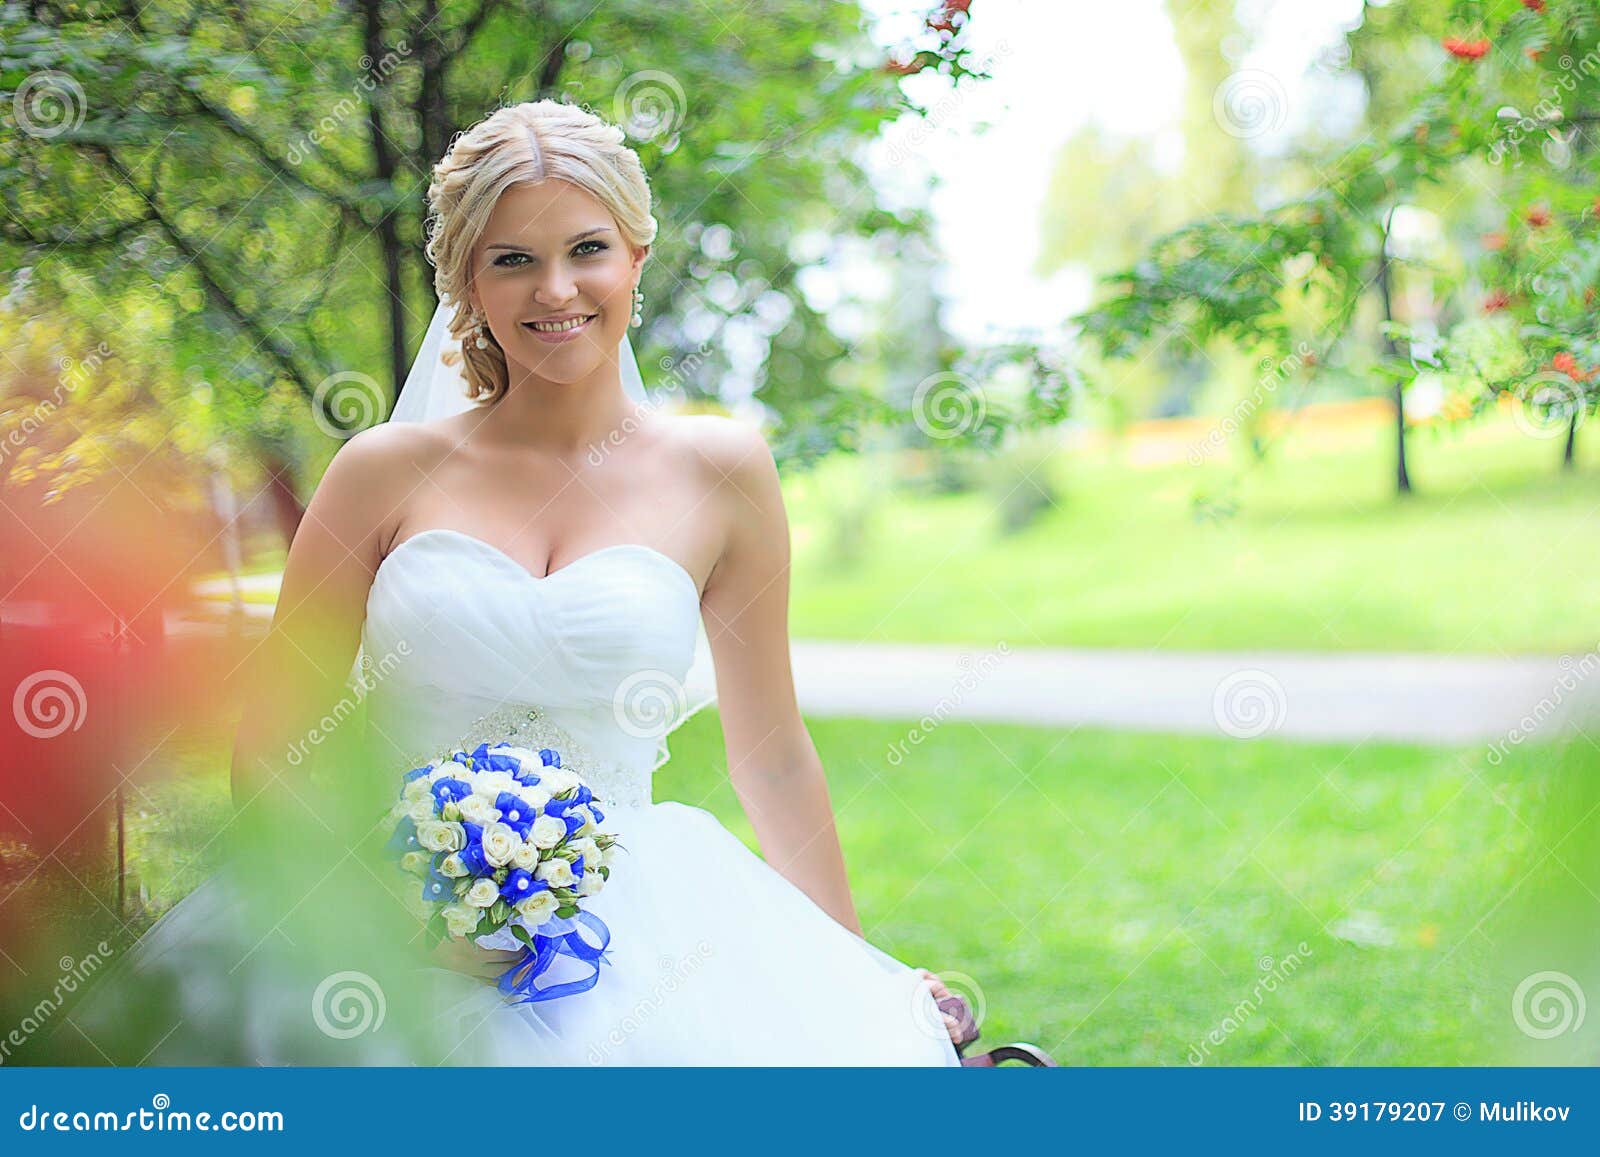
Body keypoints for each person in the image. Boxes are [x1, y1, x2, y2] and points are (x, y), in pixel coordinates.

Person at [70, 99, 960, 1066]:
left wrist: (852, 970)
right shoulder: (380, 473)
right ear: (467, 283)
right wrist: (398, 917)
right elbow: (274, 743)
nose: (556, 289)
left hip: (635, 927)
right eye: (512, 259)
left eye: (587, 249)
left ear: (636, 257)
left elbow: (773, 755)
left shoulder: (723, 472)